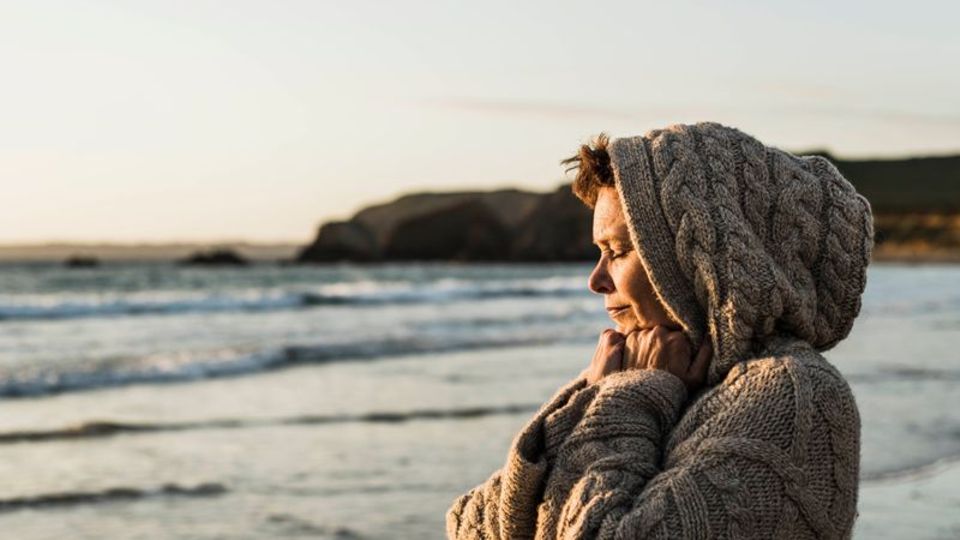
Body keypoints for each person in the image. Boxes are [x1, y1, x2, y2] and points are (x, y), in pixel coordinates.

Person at [445, 122, 873, 539]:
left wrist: (626, 395)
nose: (595, 281)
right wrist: (606, 394)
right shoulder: (653, 368)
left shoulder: (794, 396)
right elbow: (468, 524)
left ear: (698, 261)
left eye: (616, 251)